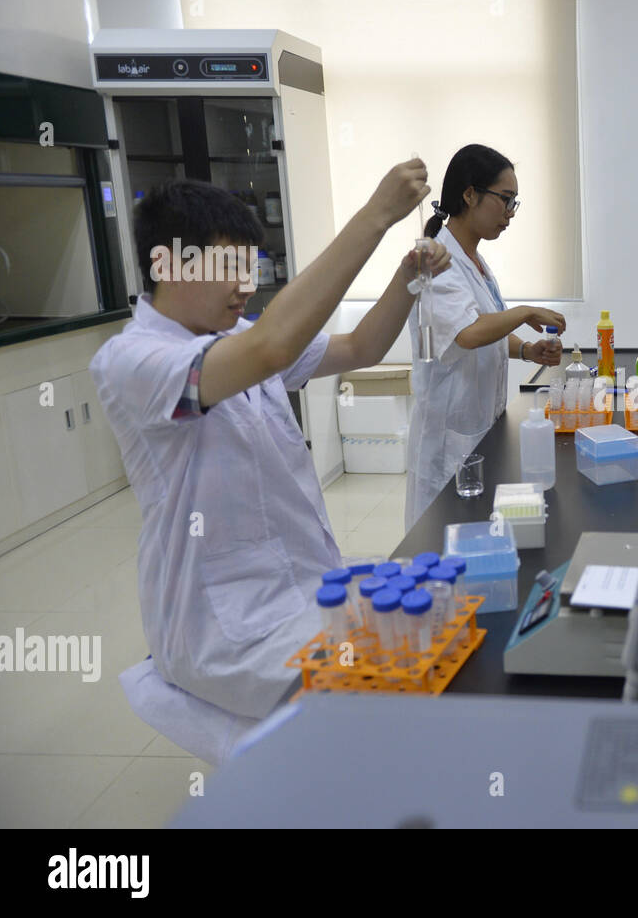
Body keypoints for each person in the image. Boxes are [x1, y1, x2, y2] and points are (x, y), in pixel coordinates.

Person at [90, 160, 451, 759]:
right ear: (168, 265)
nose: (245, 286)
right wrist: (375, 216)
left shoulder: (238, 339)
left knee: (415, 667)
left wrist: (408, 275)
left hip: (300, 587)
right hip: (223, 624)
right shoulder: (133, 362)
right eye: (229, 268)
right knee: (358, 734)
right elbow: (273, 346)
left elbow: (363, 347)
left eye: (249, 269)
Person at [405, 144, 566, 529]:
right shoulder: (436, 259)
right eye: (505, 200)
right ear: (470, 195)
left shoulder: (473, 260)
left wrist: (527, 349)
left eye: (515, 202)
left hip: (477, 430)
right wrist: (526, 312)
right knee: (443, 544)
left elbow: (486, 326)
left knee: (474, 536)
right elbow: (467, 335)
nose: (510, 213)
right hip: (449, 440)